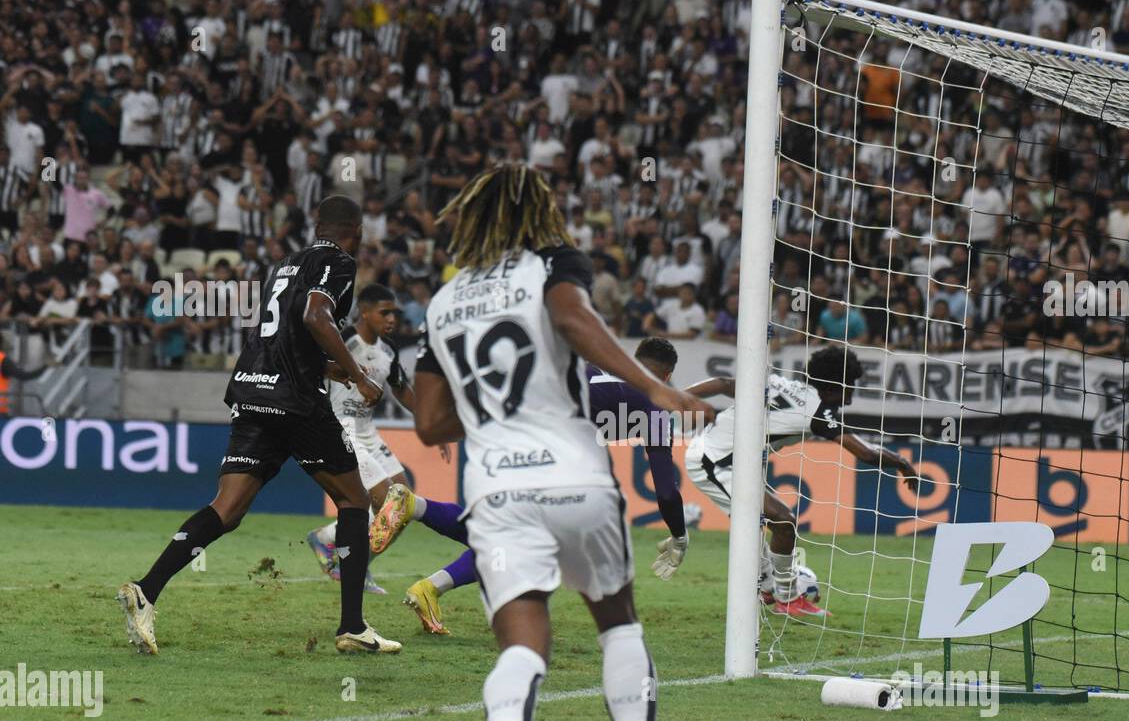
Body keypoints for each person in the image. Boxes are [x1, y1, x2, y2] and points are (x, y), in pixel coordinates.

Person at [407, 163, 713, 721]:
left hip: (495, 487)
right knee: (617, 623)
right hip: (575, 475)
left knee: (521, 645)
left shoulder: (445, 299)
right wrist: (653, 390)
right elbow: (572, 317)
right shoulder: (552, 262)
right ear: (537, 211)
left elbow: (427, 423)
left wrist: (492, 413)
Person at [116, 196, 401, 656]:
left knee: (226, 509)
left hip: (252, 389)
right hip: (294, 402)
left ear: (317, 223)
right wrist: (359, 373)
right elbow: (315, 316)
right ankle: (352, 626)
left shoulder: (285, 265)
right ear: (358, 229)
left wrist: (330, 368)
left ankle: (145, 589)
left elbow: (285, 337)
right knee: (353, 499)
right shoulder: (339, 262)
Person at [368, 336, 731, 634]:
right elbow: (666, 490)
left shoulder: (593, 361)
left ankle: (419, 532)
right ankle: (429, 572)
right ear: (666, 377)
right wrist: (679, 536)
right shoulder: (654, 408)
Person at [683, 345, 920, 616]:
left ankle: (771, 589)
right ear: (833, 387)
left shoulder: (781, 383)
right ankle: (786, 597)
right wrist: (902, 463)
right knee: (782, 522)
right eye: (850, 384)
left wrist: (680, 396)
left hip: (731, 460)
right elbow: (865, 452)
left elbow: (724, 383)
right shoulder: (819, 411)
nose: (852, 390)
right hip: (712, 461)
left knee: (765, 523)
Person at [306, 283, 444, 595]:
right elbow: (312, 365)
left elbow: (401, 388)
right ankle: (338, 551)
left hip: (368, 431)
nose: (392, 318)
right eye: (385, 312)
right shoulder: (344, 340)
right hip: (340, 429)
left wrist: (429, 422)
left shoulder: (388, 350)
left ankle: (346, 555)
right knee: (385, 501)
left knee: (403, 504)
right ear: (365, 313)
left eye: (394, 312)